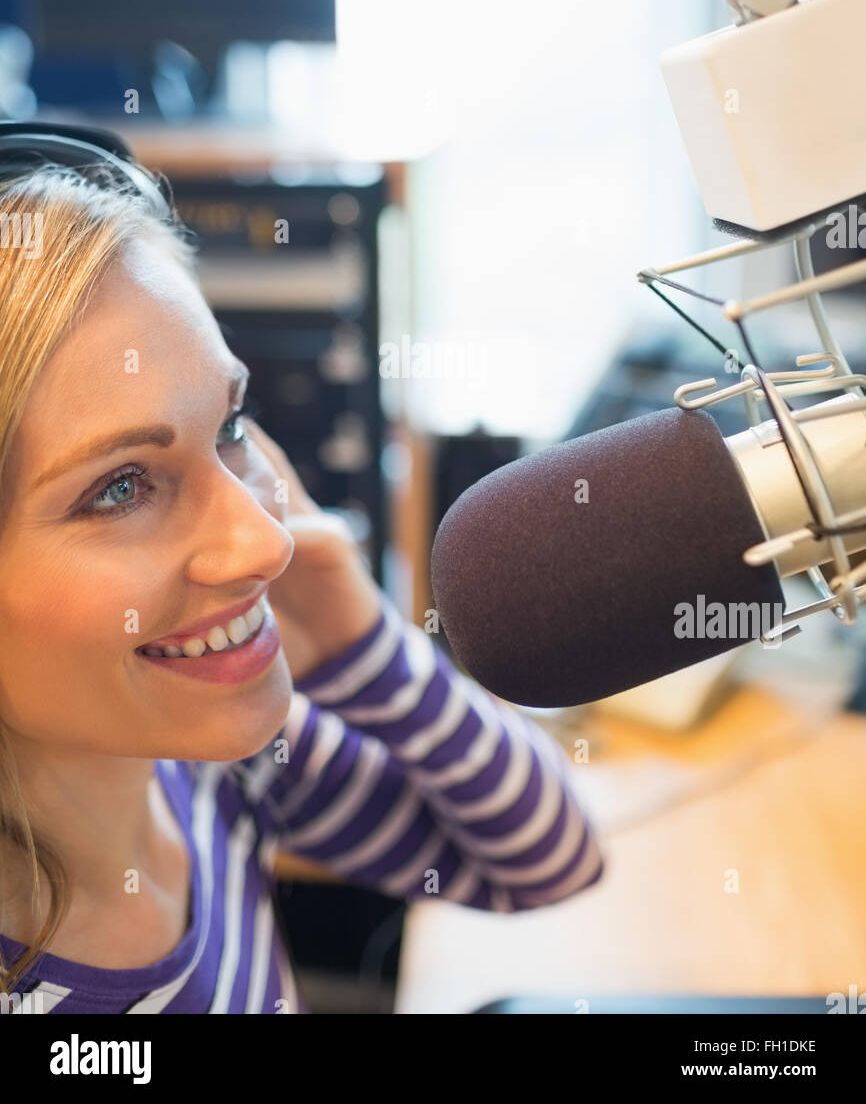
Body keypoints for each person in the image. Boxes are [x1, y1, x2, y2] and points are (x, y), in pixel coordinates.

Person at [0, 154, 602, 1013]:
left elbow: (548, 858)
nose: (265, 540)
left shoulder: (203, 760)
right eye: (121, 487)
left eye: (232, 424)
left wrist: (368, 649)